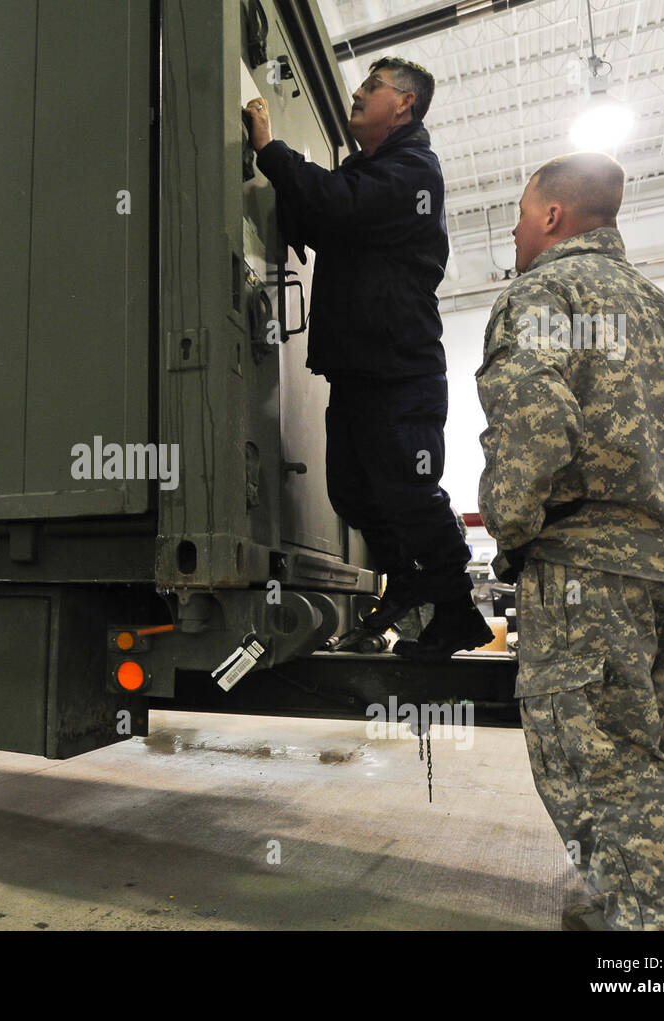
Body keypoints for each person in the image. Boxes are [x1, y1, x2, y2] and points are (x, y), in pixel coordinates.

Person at [477, 150, 664, 930]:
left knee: (609, 785)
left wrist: (512, 525)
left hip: (591, 578)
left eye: (518, 216)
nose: (514, 232)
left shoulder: (543, 293)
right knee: (656, 781)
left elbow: (536, 430)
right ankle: (634, 918)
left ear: (551, 216)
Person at [245, 57, 491, 661]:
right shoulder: (374, 167)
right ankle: (407, 582)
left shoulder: (413, 171)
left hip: (398, 368)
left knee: (409, 491)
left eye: (372, 87)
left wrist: (271, 150)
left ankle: (456, 613)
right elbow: (321, 217)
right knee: (353, 493)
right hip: (361, 368)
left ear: (403, 104)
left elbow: (336, 204)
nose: (358, 92)